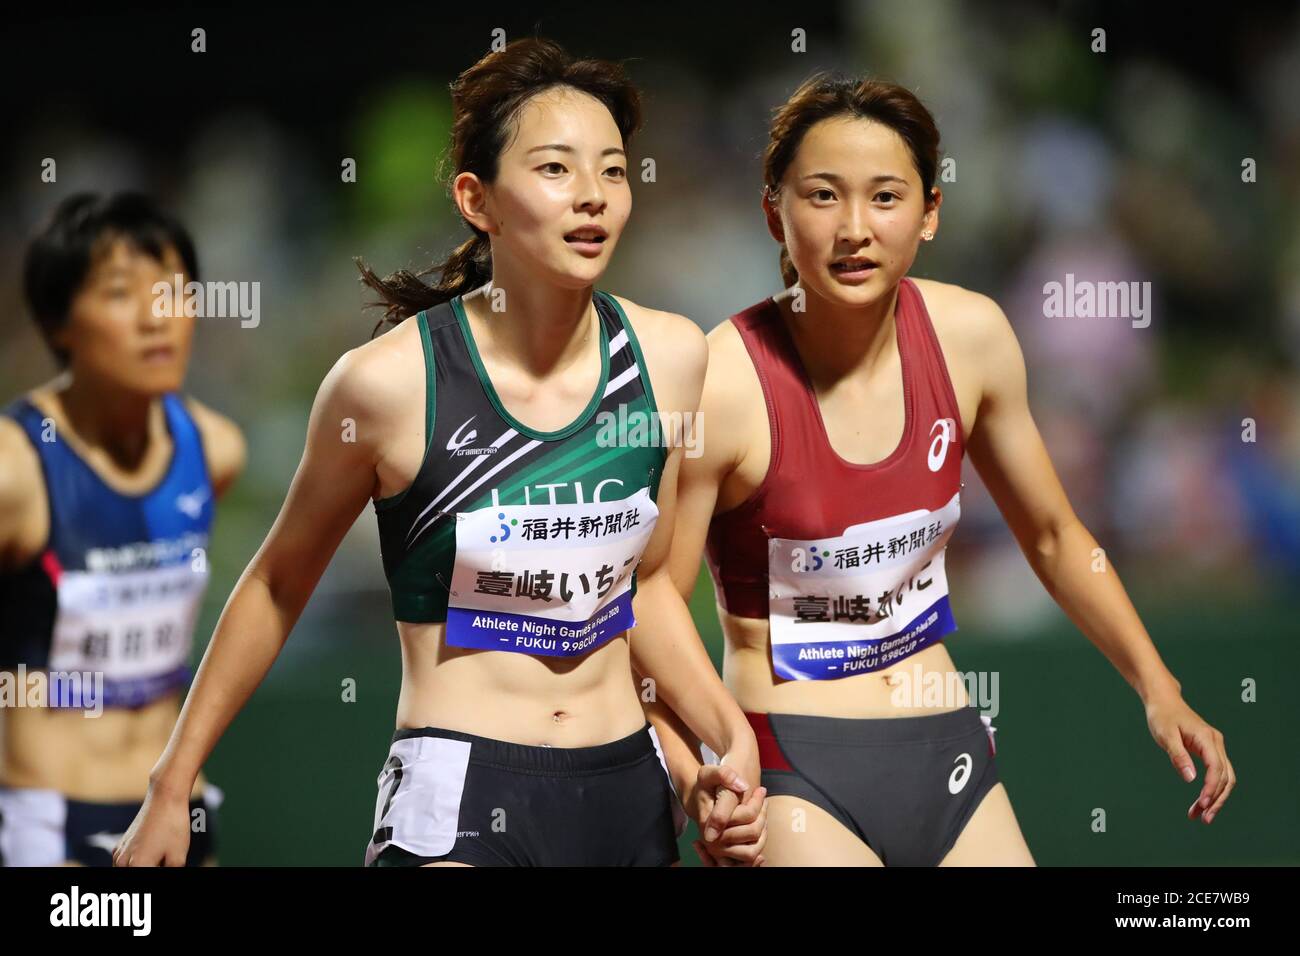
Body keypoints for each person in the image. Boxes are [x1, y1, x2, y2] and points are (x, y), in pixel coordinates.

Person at [113, 37, 764, 868]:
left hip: (625, 791)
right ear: (476, 198)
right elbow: (277, 584)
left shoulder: (670, 358)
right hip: (458, 785)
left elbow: (643, 589)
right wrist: (172, 787)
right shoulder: (386, 387)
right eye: (557, 170)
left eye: (613, 171)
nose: (594, 198)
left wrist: (719, 739)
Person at [652, 73, 1236, 866]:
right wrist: (697, 777)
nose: (855, 228)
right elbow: (648, 603)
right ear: (773, 213)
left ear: (930, 212)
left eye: (886, 197)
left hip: (947, 748)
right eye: (822, 196)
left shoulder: (972, 339)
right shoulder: (720, 380)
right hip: (788, 767)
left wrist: (1157, 685)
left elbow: (1057, 536)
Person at [0, 192, 246, 865]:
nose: (155, 320)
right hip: (53, 824)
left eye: (173, 293)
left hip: (176, 813)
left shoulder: (215, 451)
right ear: (59, 323)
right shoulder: (15, 472)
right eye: (119, 294)